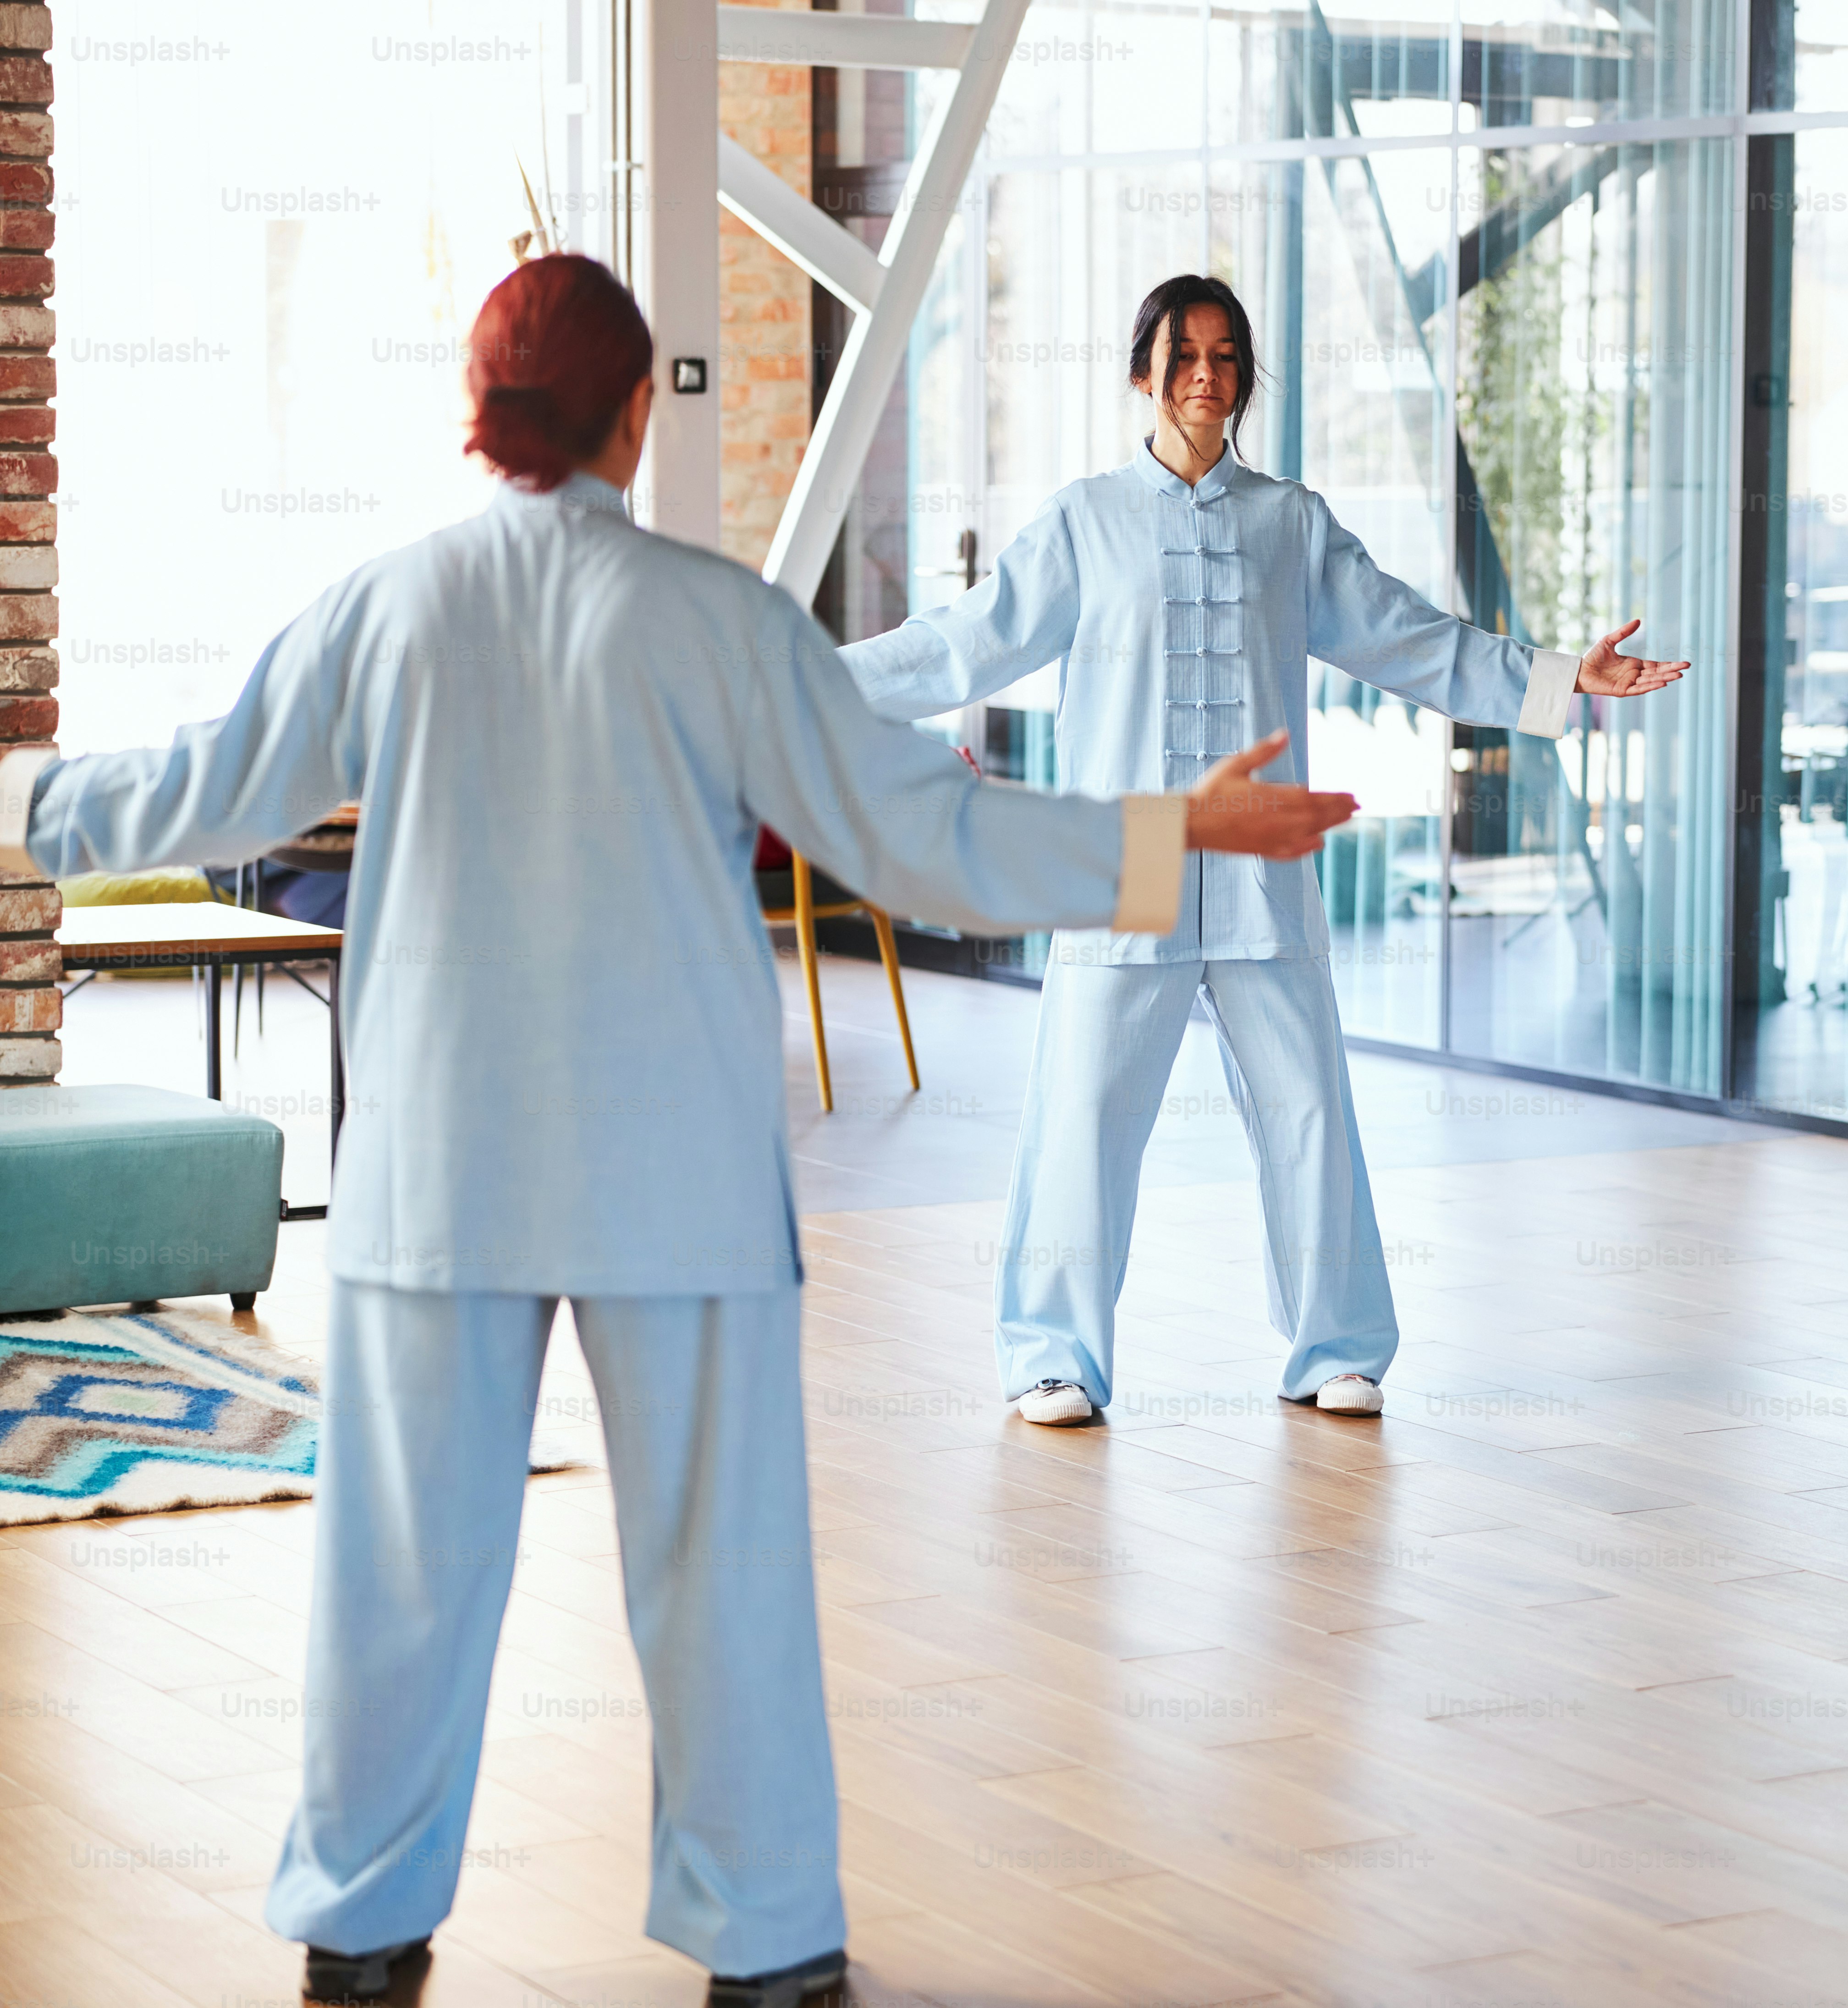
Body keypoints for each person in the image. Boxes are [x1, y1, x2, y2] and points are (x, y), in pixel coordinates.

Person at [0, 255, 1352, 2008]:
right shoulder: (718, 626)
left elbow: (189, 786)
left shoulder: (388, 607)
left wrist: (17, 799)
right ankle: (766, 1944)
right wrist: (1181, 833)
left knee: (399, 1572)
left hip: (439, 1183)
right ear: (640, 415)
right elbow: (930, 835)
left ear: (474, 418)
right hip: (682, 1188)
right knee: (720, 1572)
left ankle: (357, 1934)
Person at [838, 274, 1688, 1427]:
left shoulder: (1290, 524)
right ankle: (1053, 1356)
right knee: (1081, 1122)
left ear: (1243, 377)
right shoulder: (1087, 522)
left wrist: (1558, 677)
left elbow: (1408, 639)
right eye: (1182, 354)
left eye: (1226, 356)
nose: (1204, 375)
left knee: (1307, 1115)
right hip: (1123, 866)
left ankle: (1335, 1346)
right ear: (1143, 371)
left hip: (1261, 876)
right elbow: (965, 645)